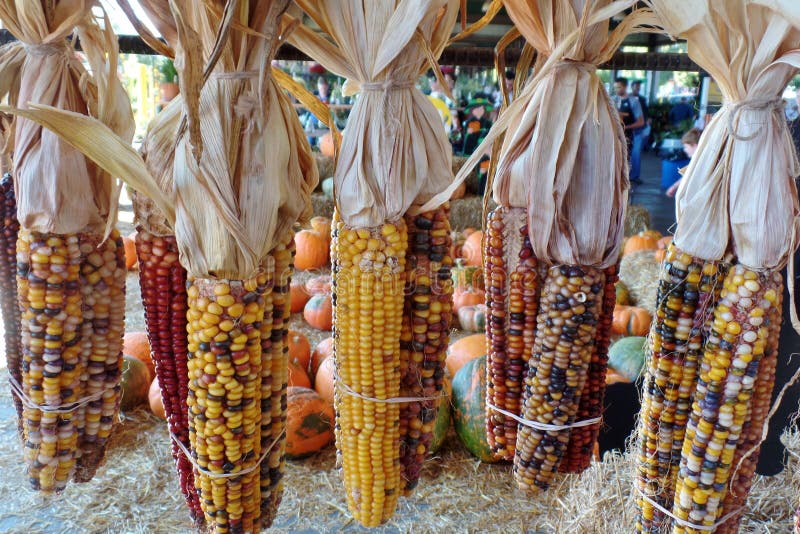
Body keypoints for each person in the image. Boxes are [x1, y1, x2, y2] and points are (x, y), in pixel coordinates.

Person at [611, 77, 645, 184]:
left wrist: (625, 127)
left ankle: (631, 178)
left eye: (619, 87)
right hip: (615, 135)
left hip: (630, 135)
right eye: (615, 87)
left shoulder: (634, 102)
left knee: (630, 156)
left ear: (625, 87)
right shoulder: (612, 100)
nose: (617, 89)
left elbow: (641, 122)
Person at [665, 128, 701, 197]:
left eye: (686, 147)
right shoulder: (697, 160)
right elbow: (687, 175)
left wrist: (674, 186)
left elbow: (687, 175)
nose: (685, 150)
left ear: (695, 145)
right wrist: (674, 186)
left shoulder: (700, 162)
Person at [629, 80, 650, 184]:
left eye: (639, 87)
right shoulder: (628, 99)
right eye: (636, 87)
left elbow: (646, 113)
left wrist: (646, 124)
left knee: (636, 153)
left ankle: (634, 176)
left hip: (638, 130)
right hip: (628, 129)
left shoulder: (642, 99)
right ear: (631, 87)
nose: (637, 88)